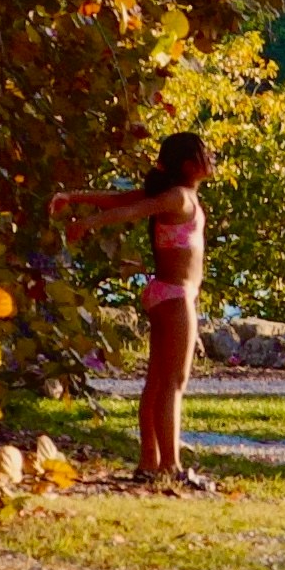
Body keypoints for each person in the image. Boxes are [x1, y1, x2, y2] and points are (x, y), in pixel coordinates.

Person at [53, 133, 209, 482]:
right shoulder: (178, 197)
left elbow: (119, 200)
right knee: (173, 382)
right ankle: (171, 466)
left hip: (164, 294)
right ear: (188, 164)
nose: (211, 159)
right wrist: (86, 223)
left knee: (156, 382)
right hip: (175, 296)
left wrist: (73, 197)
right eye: (204, 154)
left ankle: (148, 463)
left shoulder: (176, 196)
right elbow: (129, 210)